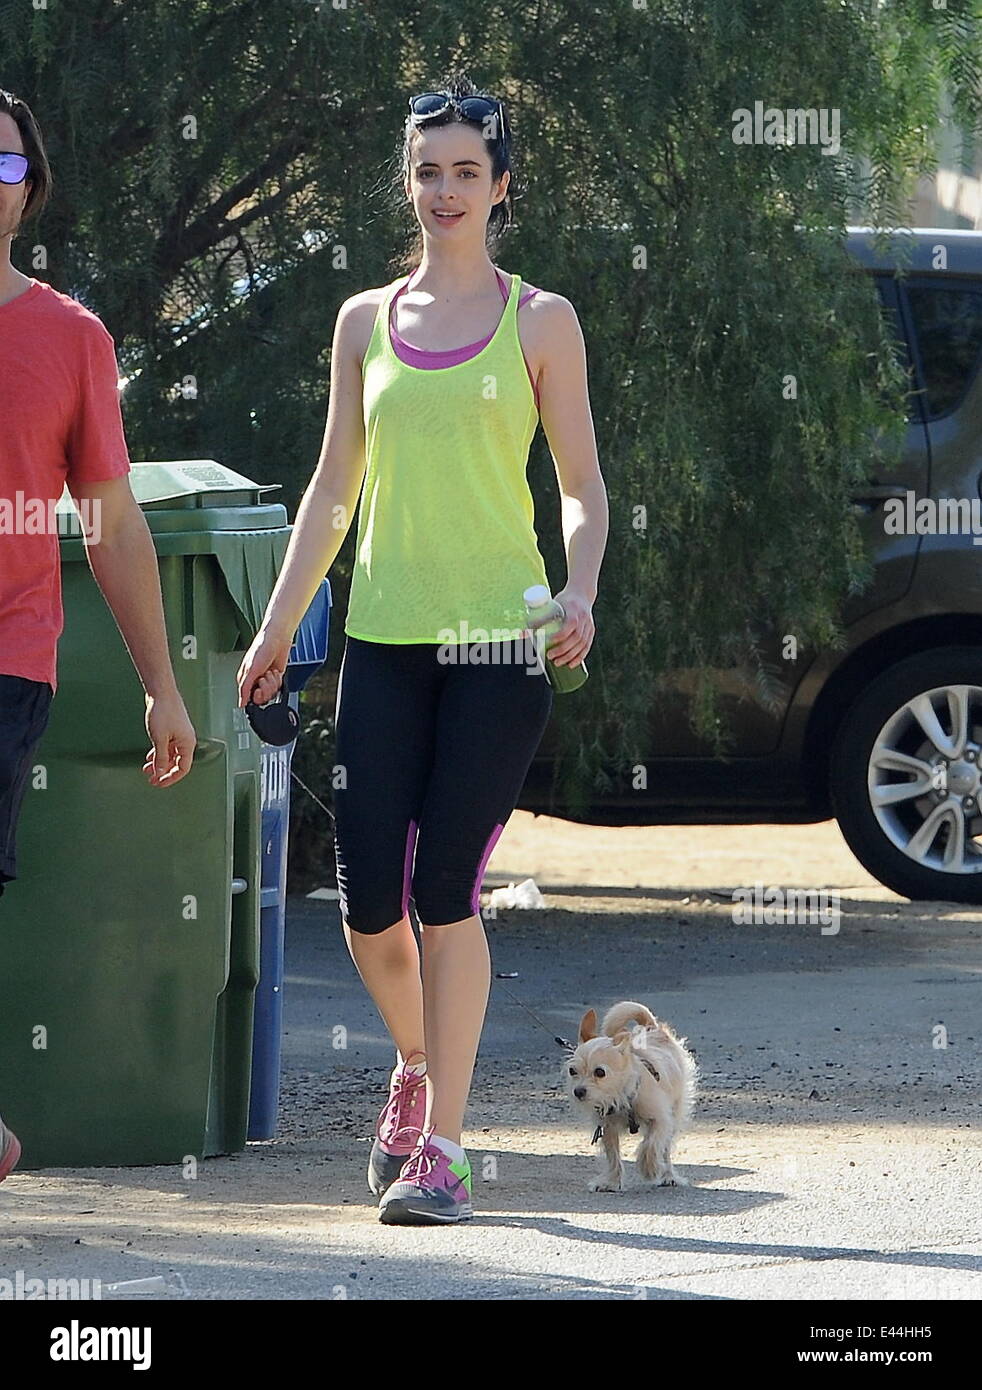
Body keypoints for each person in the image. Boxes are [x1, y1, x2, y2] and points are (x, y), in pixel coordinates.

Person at [237, 73, 608, 1224]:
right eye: (425, 170)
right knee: (364, 910)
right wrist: (275, 624)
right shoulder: (363, 322)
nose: (443, 189)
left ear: (502, 186)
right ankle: (414, 1064)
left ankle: (441, 1147)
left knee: (446, 893)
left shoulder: (540, 320)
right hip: (385, 640)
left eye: (465, 171)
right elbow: (332, 488)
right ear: (407, 181)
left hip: (500, 647)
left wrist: (578, 588)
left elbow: (585, 489)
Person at [0, 89, 197, 1183]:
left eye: (4, 166)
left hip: (7, 657)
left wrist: (162, 681)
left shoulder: (70, 339)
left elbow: (111, 523)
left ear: (29, 191)